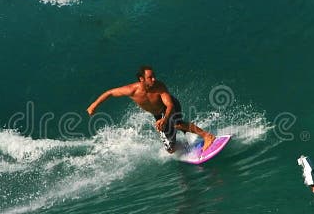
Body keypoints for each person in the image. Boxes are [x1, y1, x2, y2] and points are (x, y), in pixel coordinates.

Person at [86, 65, 216, 153]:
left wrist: (165, 119)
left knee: (177, 123)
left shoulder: (159, 87)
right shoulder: (132, 90)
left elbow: (170, 105)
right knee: (170, 150)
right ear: (141, 79)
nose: (154, 79)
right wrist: (94, 105)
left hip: (170, 107)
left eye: (154, 76)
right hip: (158, 114)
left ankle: (207, 136)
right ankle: (187, 143)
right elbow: (110, 93)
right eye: (150, 77)